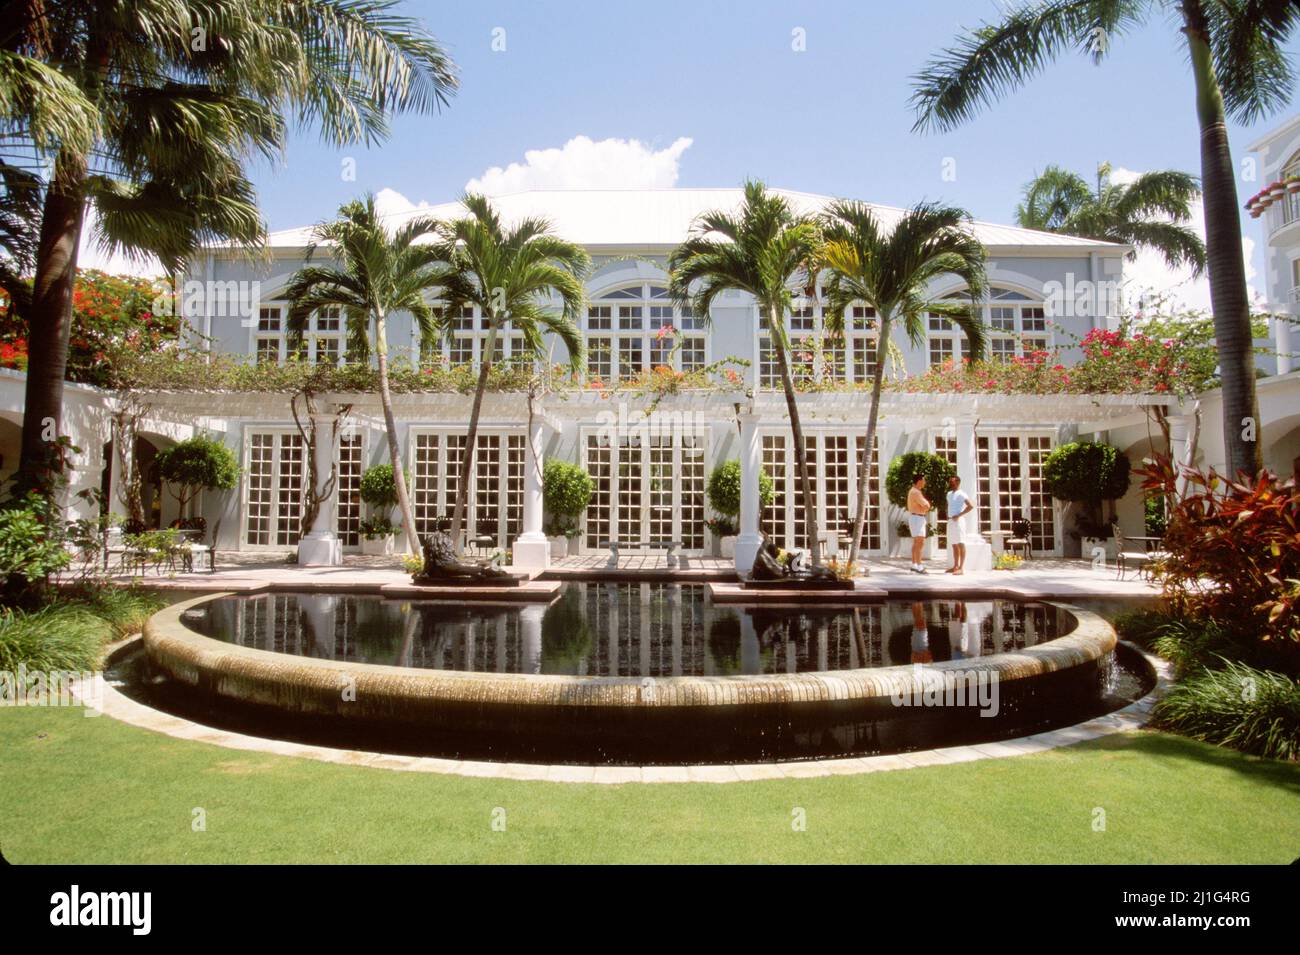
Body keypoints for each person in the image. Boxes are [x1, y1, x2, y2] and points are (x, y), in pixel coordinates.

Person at [945, 475, 974, 575]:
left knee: (961, 543)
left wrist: (959, 515)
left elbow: (970, 506)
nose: (950, 484)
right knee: (953, 544)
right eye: (950, 482)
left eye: (952, 482)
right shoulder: (948, 494)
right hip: (950, 521)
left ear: (957, 483)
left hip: (959, 521)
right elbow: (950, 505)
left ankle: (961, 568)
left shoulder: (962, 494)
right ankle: (955, 566)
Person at [906, 472, 930, 574]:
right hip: (917, 518)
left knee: (916, 542)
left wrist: (924, 508)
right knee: (920, 542)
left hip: (915, 517)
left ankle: (914, 564)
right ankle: (919, 566)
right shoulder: (916, 492)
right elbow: (926, 505)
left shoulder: (913, 491)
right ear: (919, 481)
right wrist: (925, 508)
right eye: (924, 480)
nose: (925, 482)